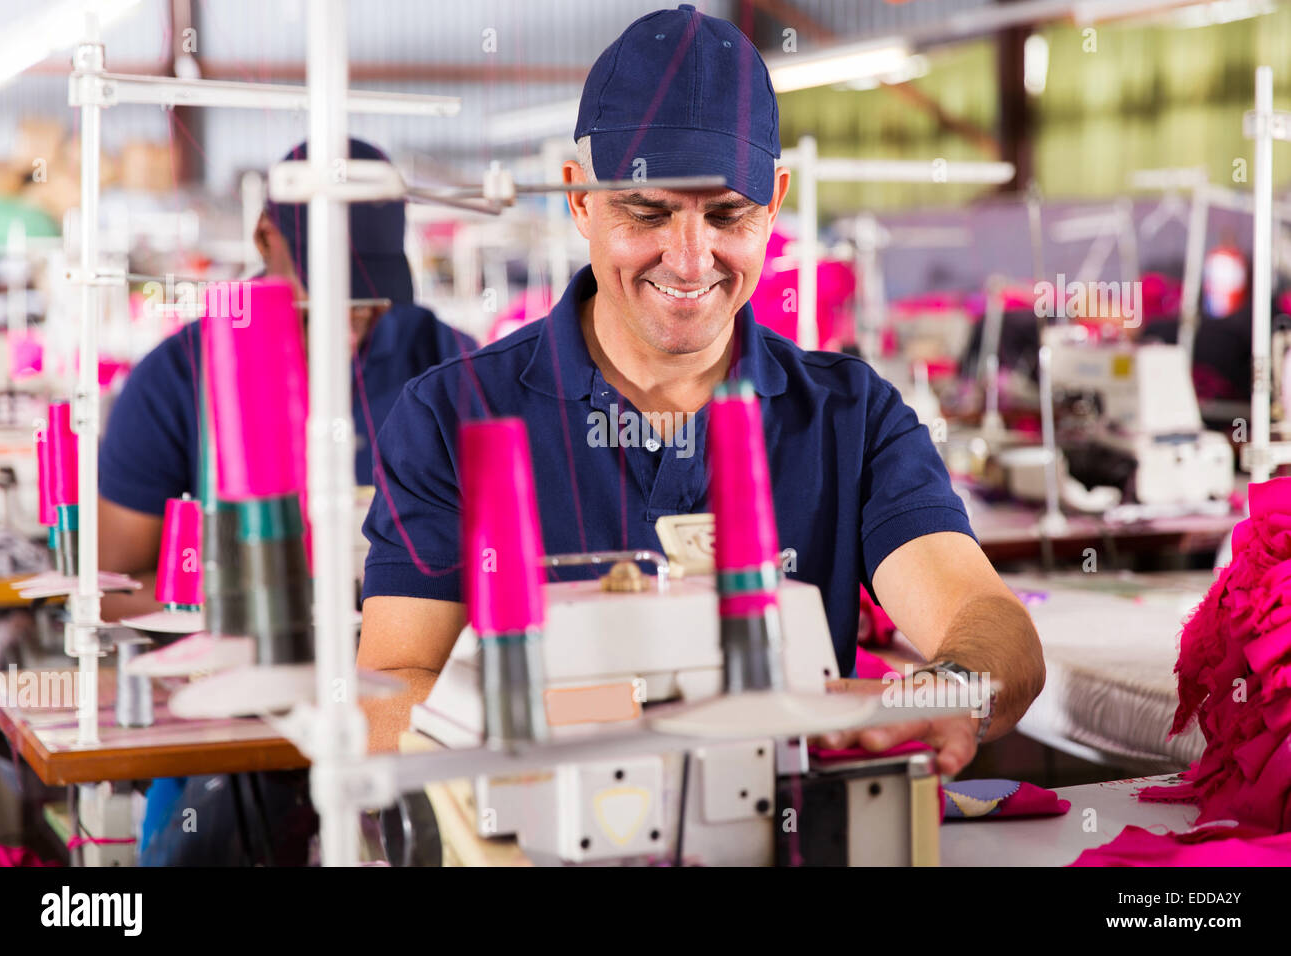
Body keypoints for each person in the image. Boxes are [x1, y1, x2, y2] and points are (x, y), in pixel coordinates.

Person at [358, 5, 1045, 777]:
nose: (690, 260)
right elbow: (387, 693)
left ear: (776, 200)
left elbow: (994, 627)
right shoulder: (452, 418)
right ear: (579, 197)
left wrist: (944, 692)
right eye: (647, 212)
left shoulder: (851, 419)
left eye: (728, 215)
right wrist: (604, 720)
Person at [97, 138, 475, 865]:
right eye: (325, 280)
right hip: (242, 713)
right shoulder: (175, 383)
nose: (350, 310)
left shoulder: (444, 360)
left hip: (415, 694)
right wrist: (251, 599)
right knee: (195, 847)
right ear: (265, 236)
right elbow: (109, 590)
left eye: (368, 288)